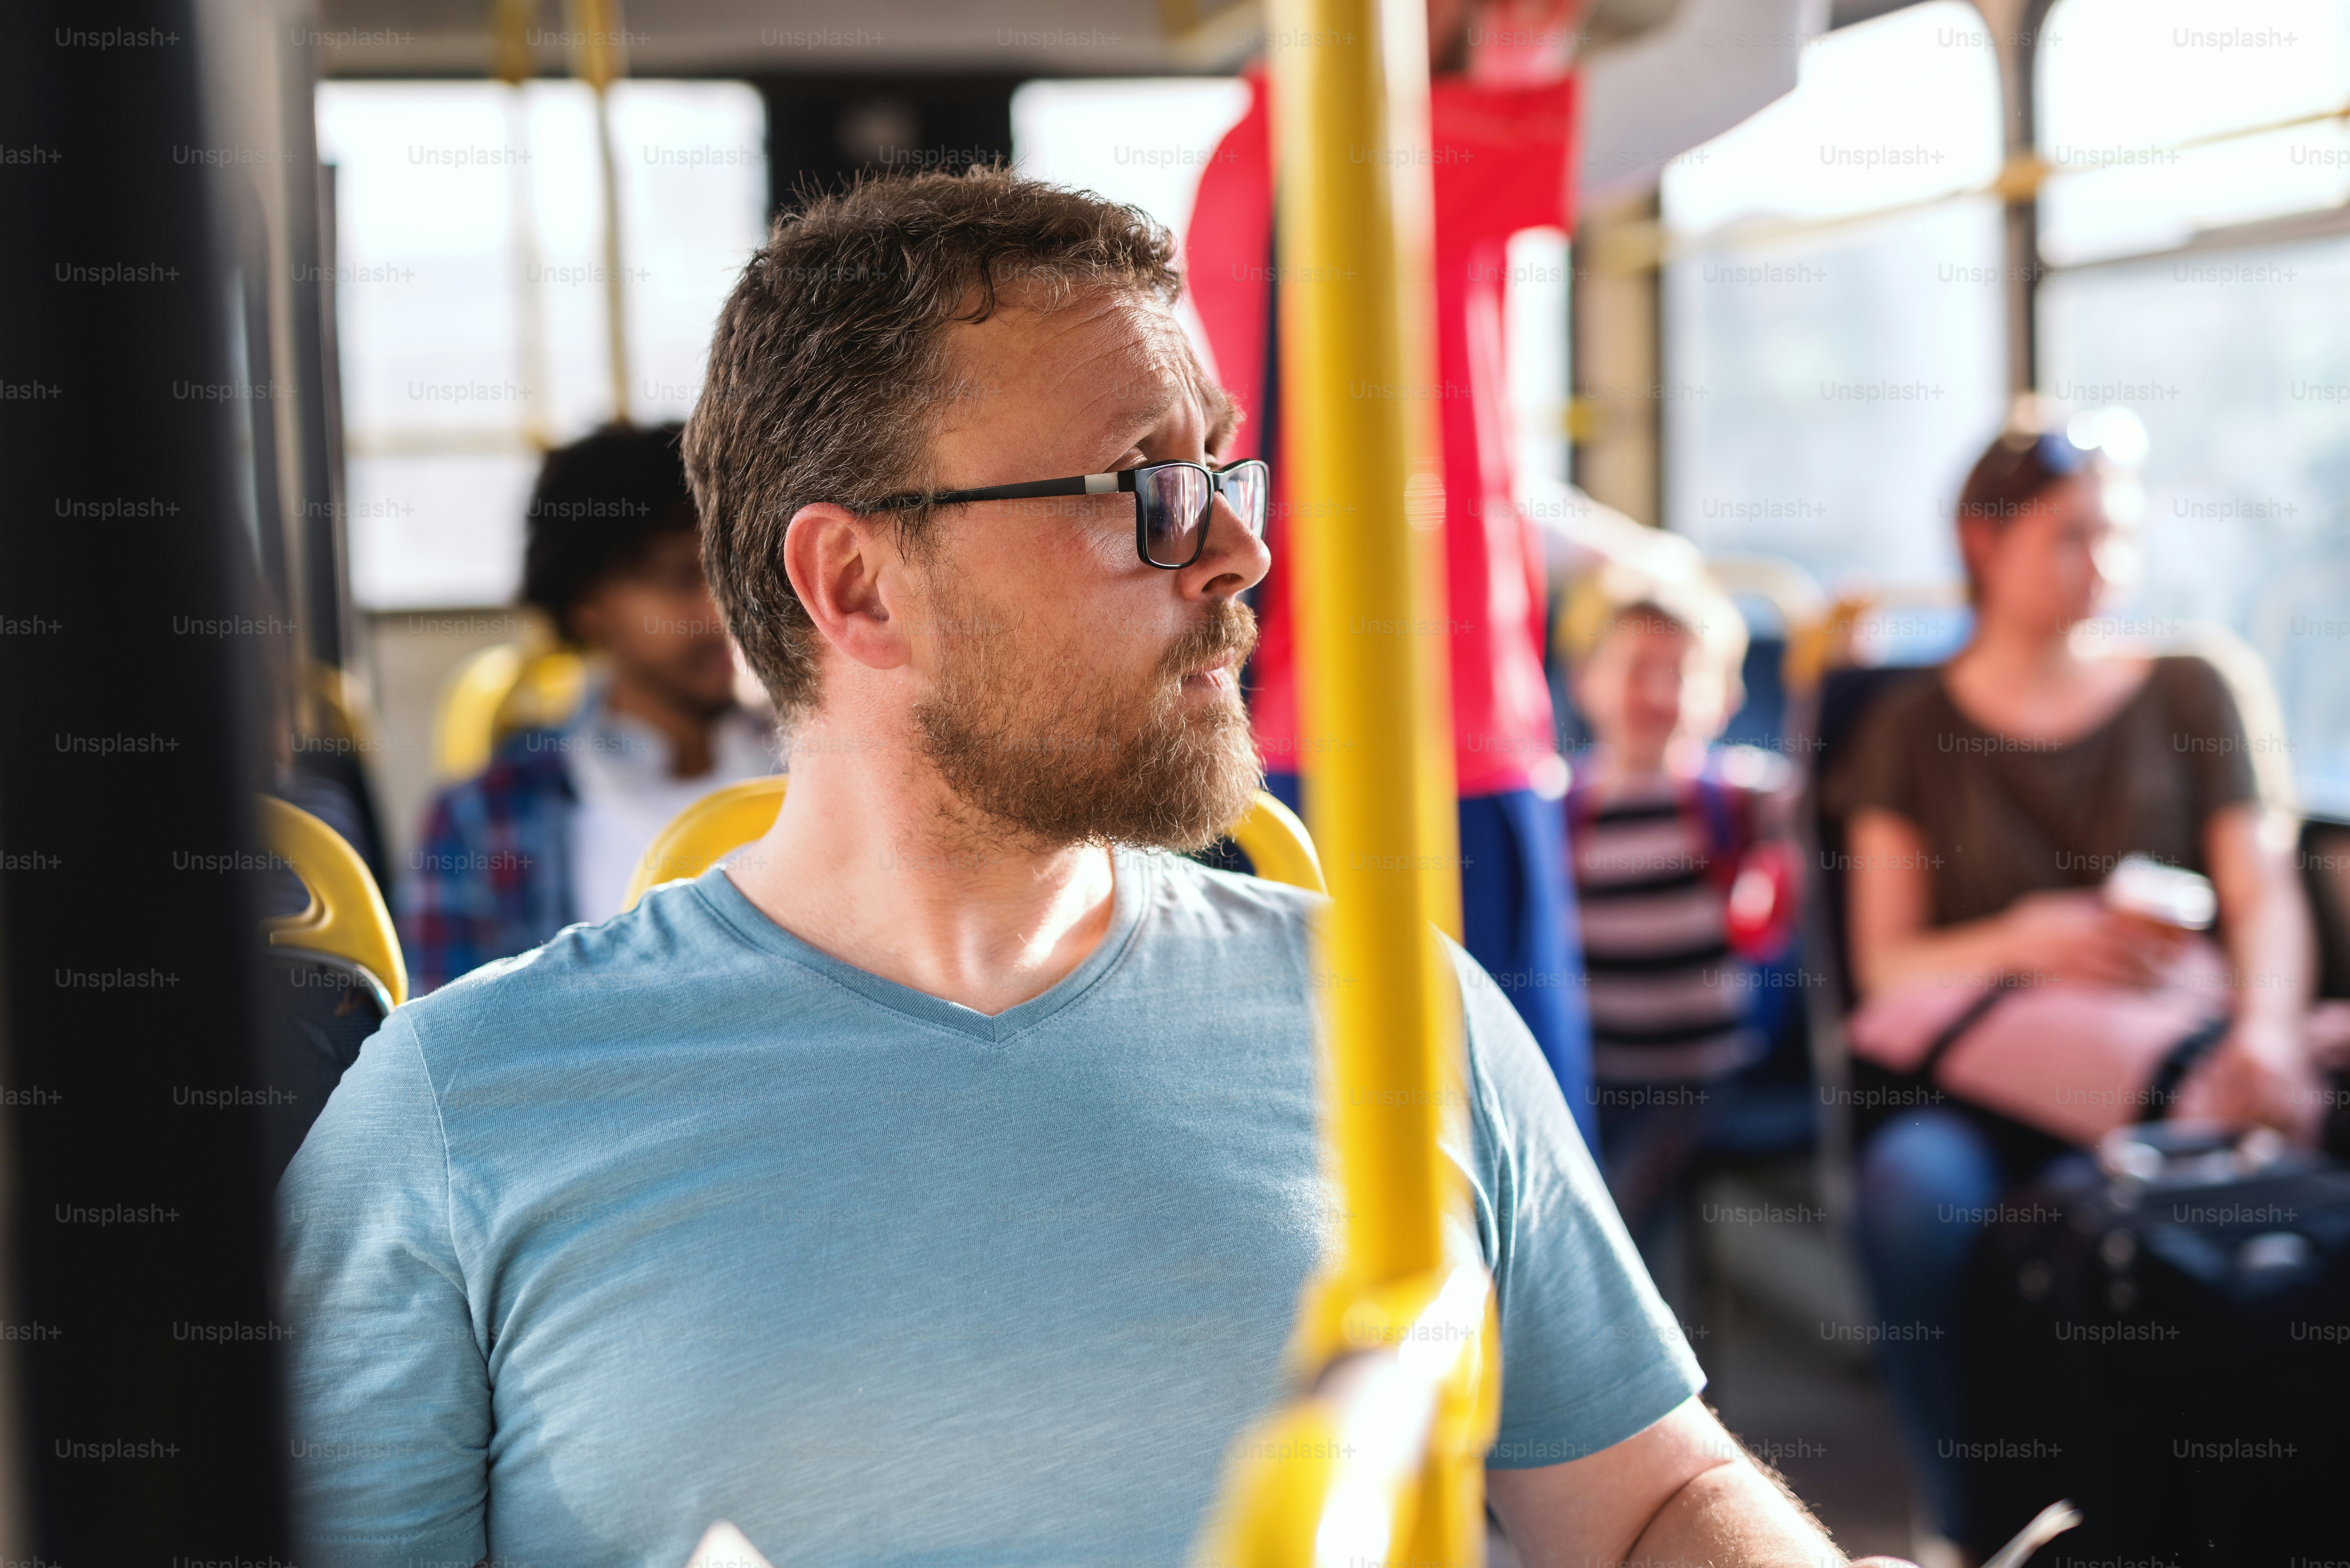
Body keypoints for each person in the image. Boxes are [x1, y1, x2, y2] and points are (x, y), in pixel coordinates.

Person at [277, 170, 1900, 1568]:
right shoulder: (458, 1111)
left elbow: (1638, 1500)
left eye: (1220, 468)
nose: (1239, 551)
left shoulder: (1395, 1010)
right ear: (857, 583)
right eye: (1144, 489)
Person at [1830, 419, 2326, 1550]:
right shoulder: (1908, 729)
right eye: (2072, 538)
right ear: (1983, 542)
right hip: (1976, 1082)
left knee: (2129, 1226)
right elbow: (1886, 964)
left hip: (2159, 1064)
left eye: (2119, 536)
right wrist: (2023, 936)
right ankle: (1968, 1522)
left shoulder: (2195, 685)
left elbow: (2262, 897)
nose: (2103, 565)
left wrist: (2268, 1030)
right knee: (1914, 1196)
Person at [1186, 0, 1599, 1140]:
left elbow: (1409, 457)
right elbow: (1739, 67)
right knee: (1513, 1163)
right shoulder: (1392, 141)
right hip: (1431, 742)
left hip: (1301, 723)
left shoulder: (1256, 153)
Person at [397, 423, 777, 992]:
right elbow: (448, 1061)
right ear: (588, 605)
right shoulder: (484, 823)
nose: (723, 610)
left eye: (731, 569)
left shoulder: (837, 776)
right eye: (681, 577)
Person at [1560, 566, 1799, 1295]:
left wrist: (1828, 679)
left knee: (1627, 1190)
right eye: (1637, 670)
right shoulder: (1558, 804)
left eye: (1682, 674)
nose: (1658, 693)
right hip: (1596, 1067)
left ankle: (1601, 1286)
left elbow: (1824, 791)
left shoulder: (1736, 795)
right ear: (1586, 684)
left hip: (1701, 1069)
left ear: (1724, 697)